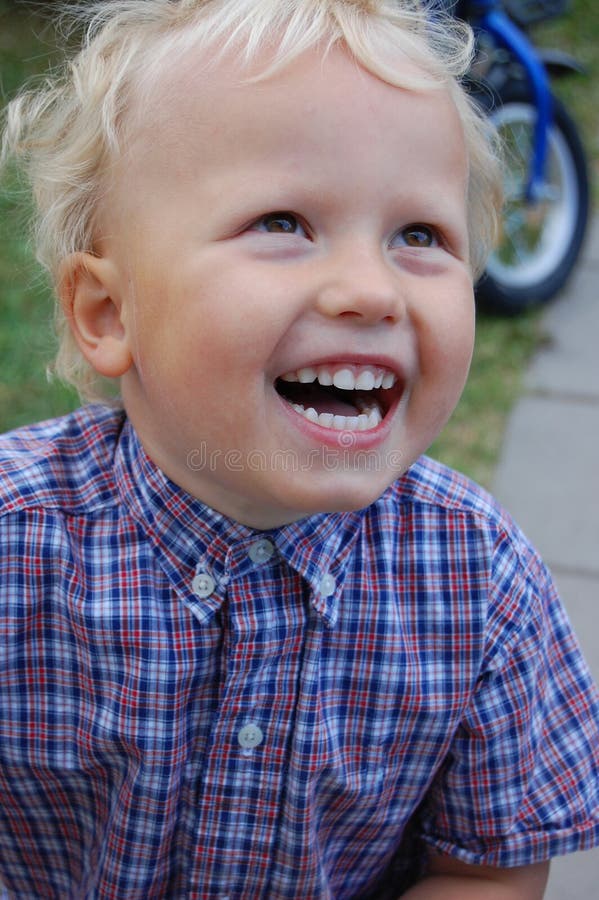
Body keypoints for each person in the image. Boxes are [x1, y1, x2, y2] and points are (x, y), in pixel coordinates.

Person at [0, 0, 597, 896]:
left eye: (419, 236)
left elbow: (488, 874)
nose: (369, 289)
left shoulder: (481, 587)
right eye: (282, 223)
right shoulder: (17, 549)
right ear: (108, 313)